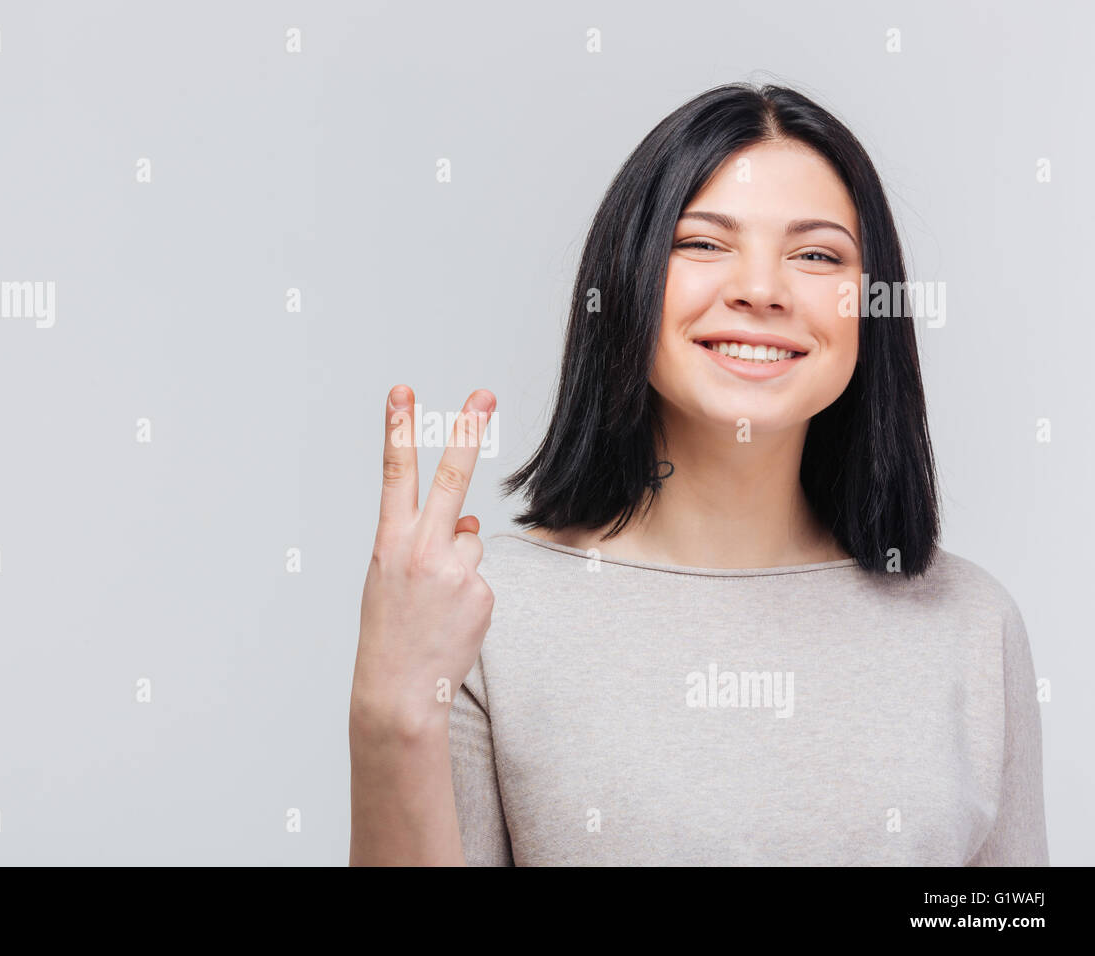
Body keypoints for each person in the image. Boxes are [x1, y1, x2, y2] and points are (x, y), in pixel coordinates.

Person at [348, 82, 1048, 866]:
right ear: (629, 279)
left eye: (817, 254)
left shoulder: (972, 625)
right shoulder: (483, 614)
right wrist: (391, 709)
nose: (760, 290)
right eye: (704, 243)